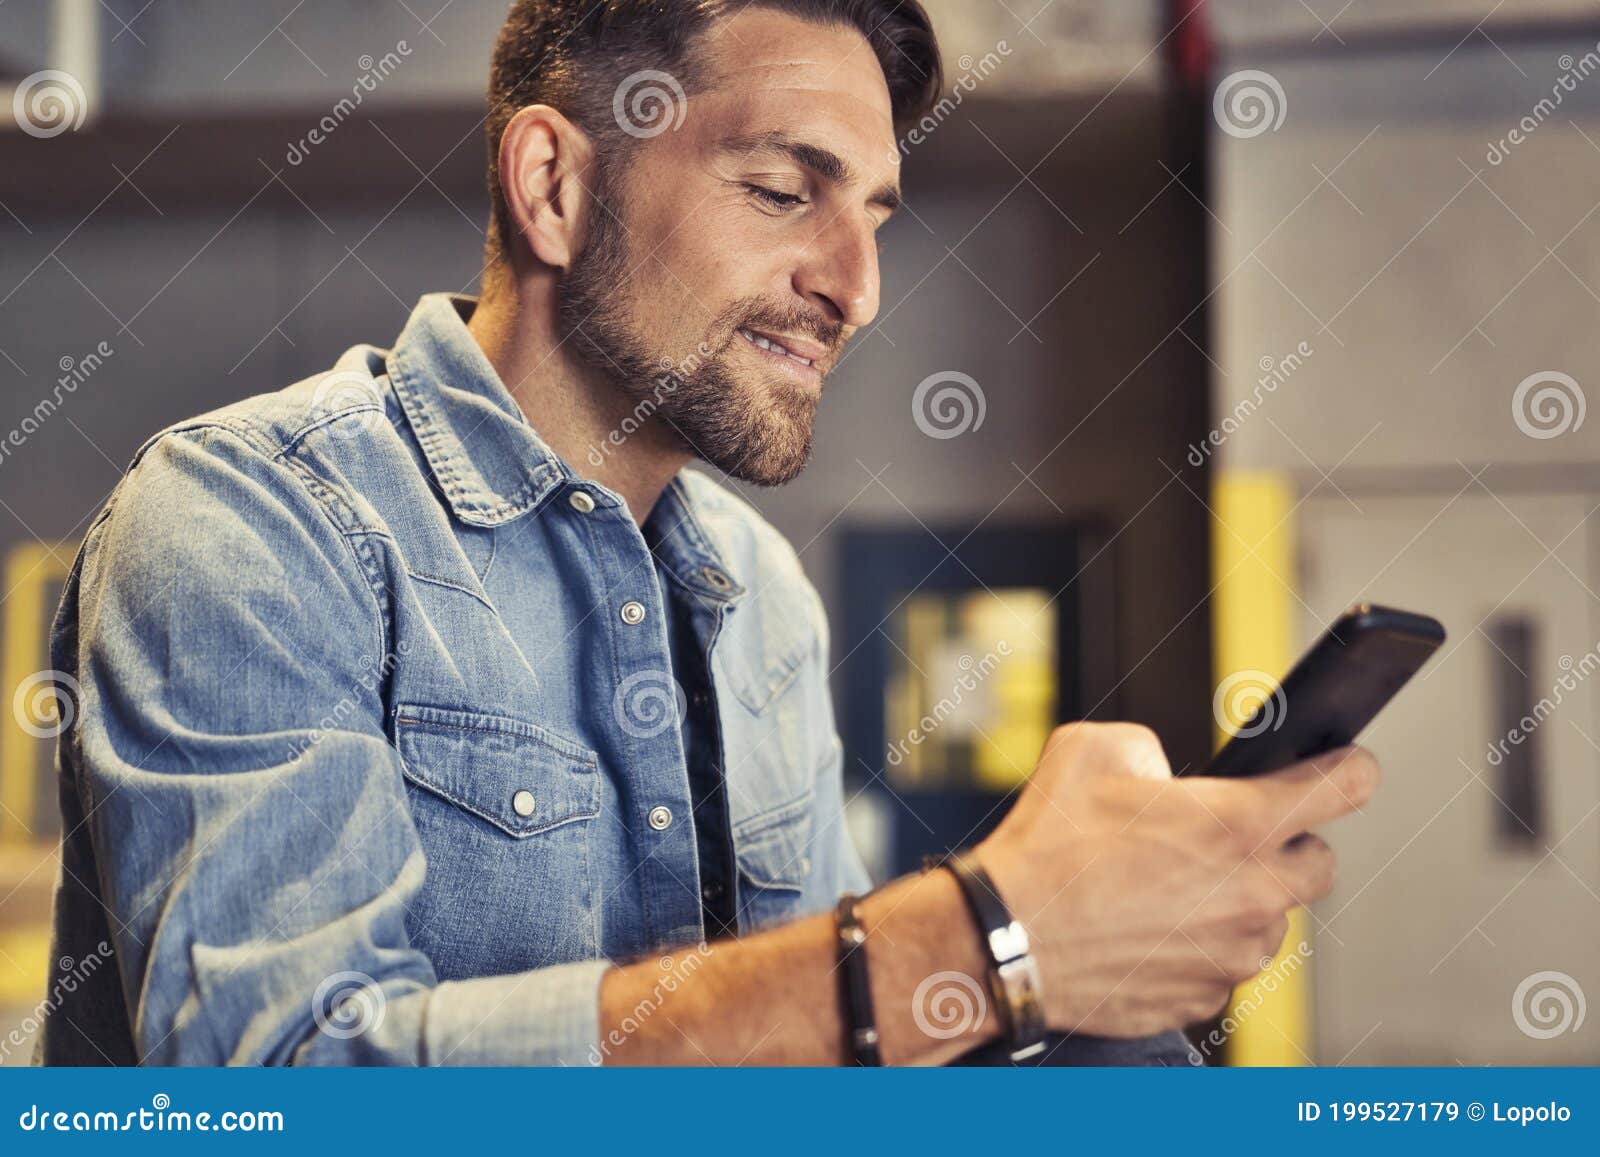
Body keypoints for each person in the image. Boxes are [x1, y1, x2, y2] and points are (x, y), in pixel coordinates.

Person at [41, 0, 1375, 1066]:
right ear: (555, 185)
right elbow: (277, 1087)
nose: (852, 288)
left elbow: (815, 1046)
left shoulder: (759, 591)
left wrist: (1065, 988)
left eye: (873, 217)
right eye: (787, 191)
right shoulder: (249, 516)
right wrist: (968, 939)